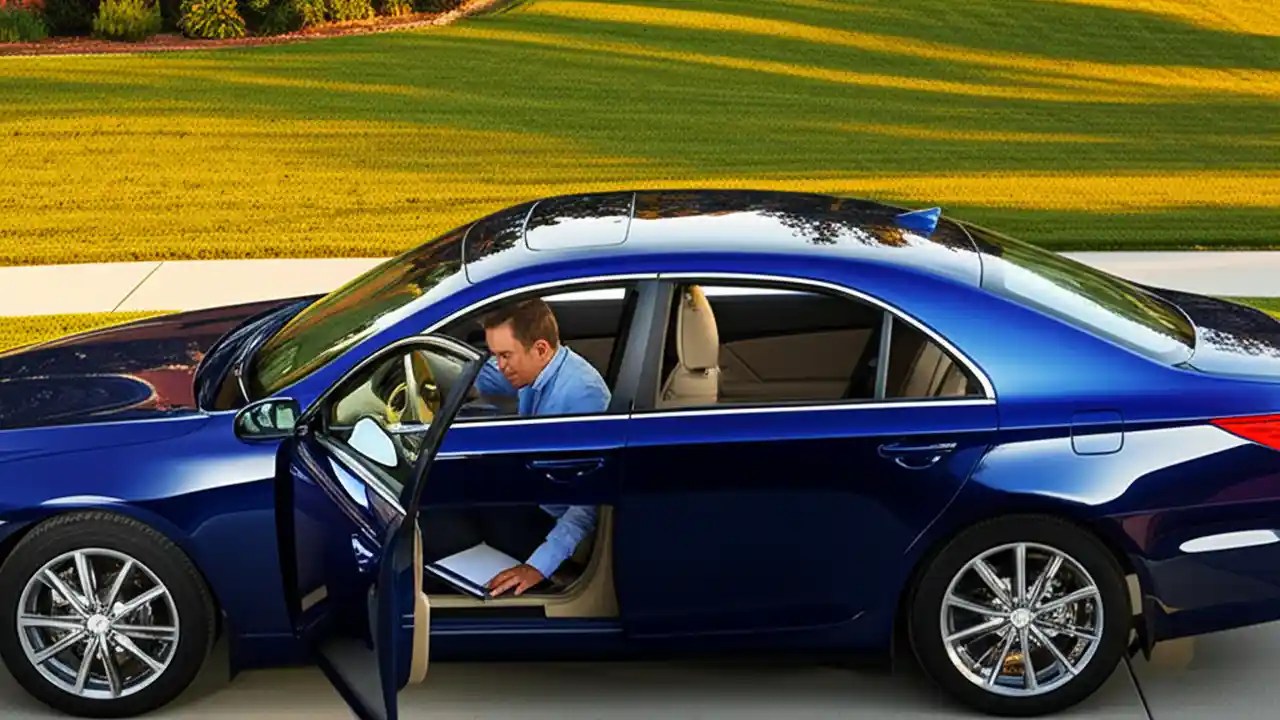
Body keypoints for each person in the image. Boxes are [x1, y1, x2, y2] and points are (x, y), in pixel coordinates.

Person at [422, 297, 611, 597]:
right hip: (530, 492)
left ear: (540, 349)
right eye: (495, 355)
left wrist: (538, 566)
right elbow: (490, 378)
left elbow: (587, 505)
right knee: (449, 492)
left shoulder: (582, 396)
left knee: (437, 521)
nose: (500, 365)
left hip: (550, 521)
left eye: (505, 355)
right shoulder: (537, 367)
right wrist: (426, 360)